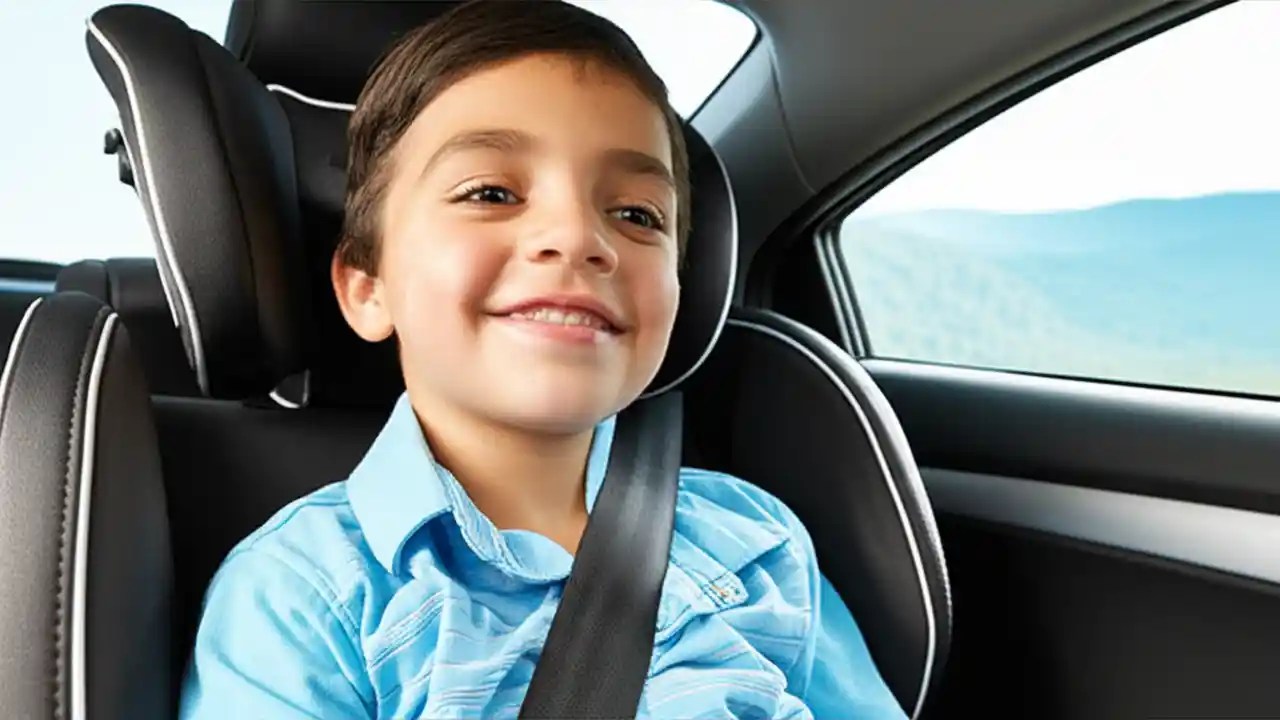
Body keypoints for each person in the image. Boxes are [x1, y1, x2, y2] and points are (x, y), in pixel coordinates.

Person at [178, 1, 905, 718]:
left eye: (637, 214)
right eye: (490, 192)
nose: (578, 235)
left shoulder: (756, 542)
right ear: (369, 290)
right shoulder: (307, 594)